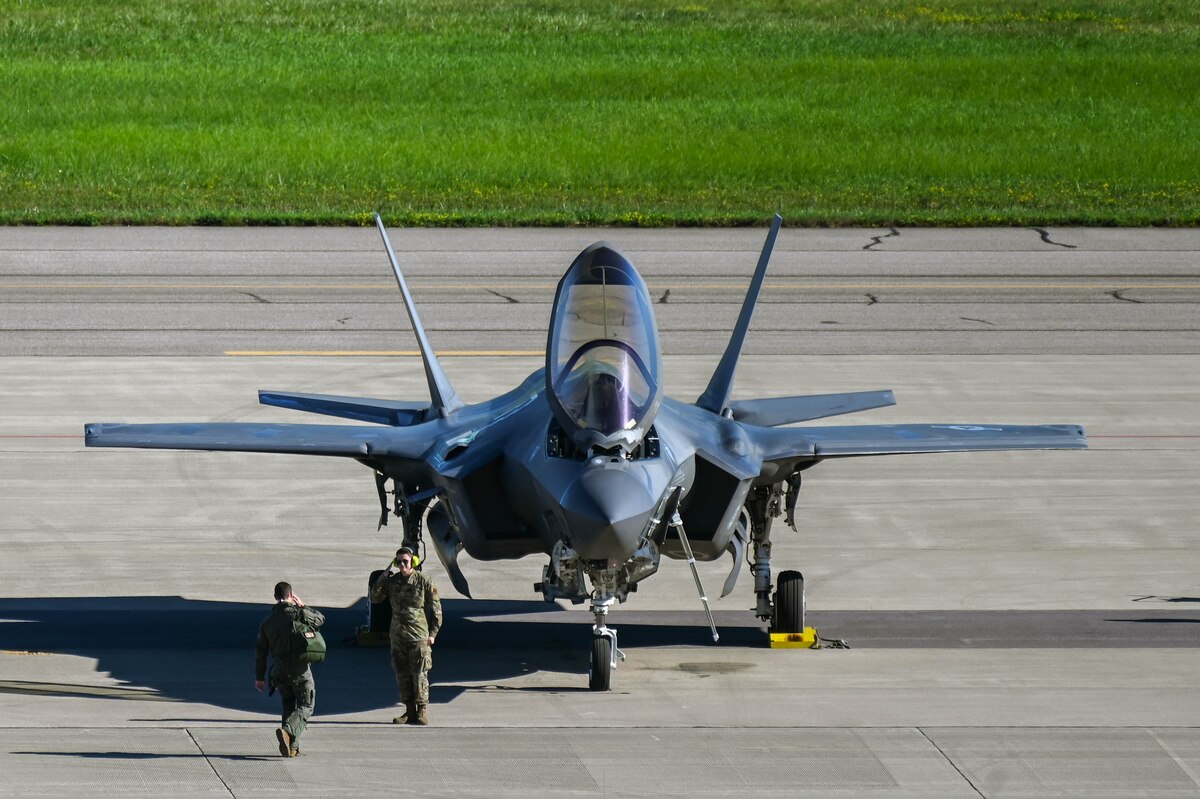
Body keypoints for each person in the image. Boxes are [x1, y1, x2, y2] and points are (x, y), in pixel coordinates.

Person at [370, 546, 442, 725]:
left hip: (418, 635)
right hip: (398, 635)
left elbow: (436, 610)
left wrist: (433, 633)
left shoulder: (424, 581)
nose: (402, 565)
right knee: (402, 673)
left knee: (420, 674)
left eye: (405, 561)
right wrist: (383, 576)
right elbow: (375, 598)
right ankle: (409, 711)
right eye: (399, 562)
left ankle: (421, 710)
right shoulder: (392, 582)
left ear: (413, 562)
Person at [254, 581, 325, 757]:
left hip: (279, 671)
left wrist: (259, 677)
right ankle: (288, 731)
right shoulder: (298, 614)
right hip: (299, 669)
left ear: (275, 597)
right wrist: (303, 606)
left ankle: (292, 747)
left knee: (288, 704)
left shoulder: (267, 622)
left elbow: (261, 652)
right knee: (306, 705)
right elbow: (320, 619)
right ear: (291, 595)